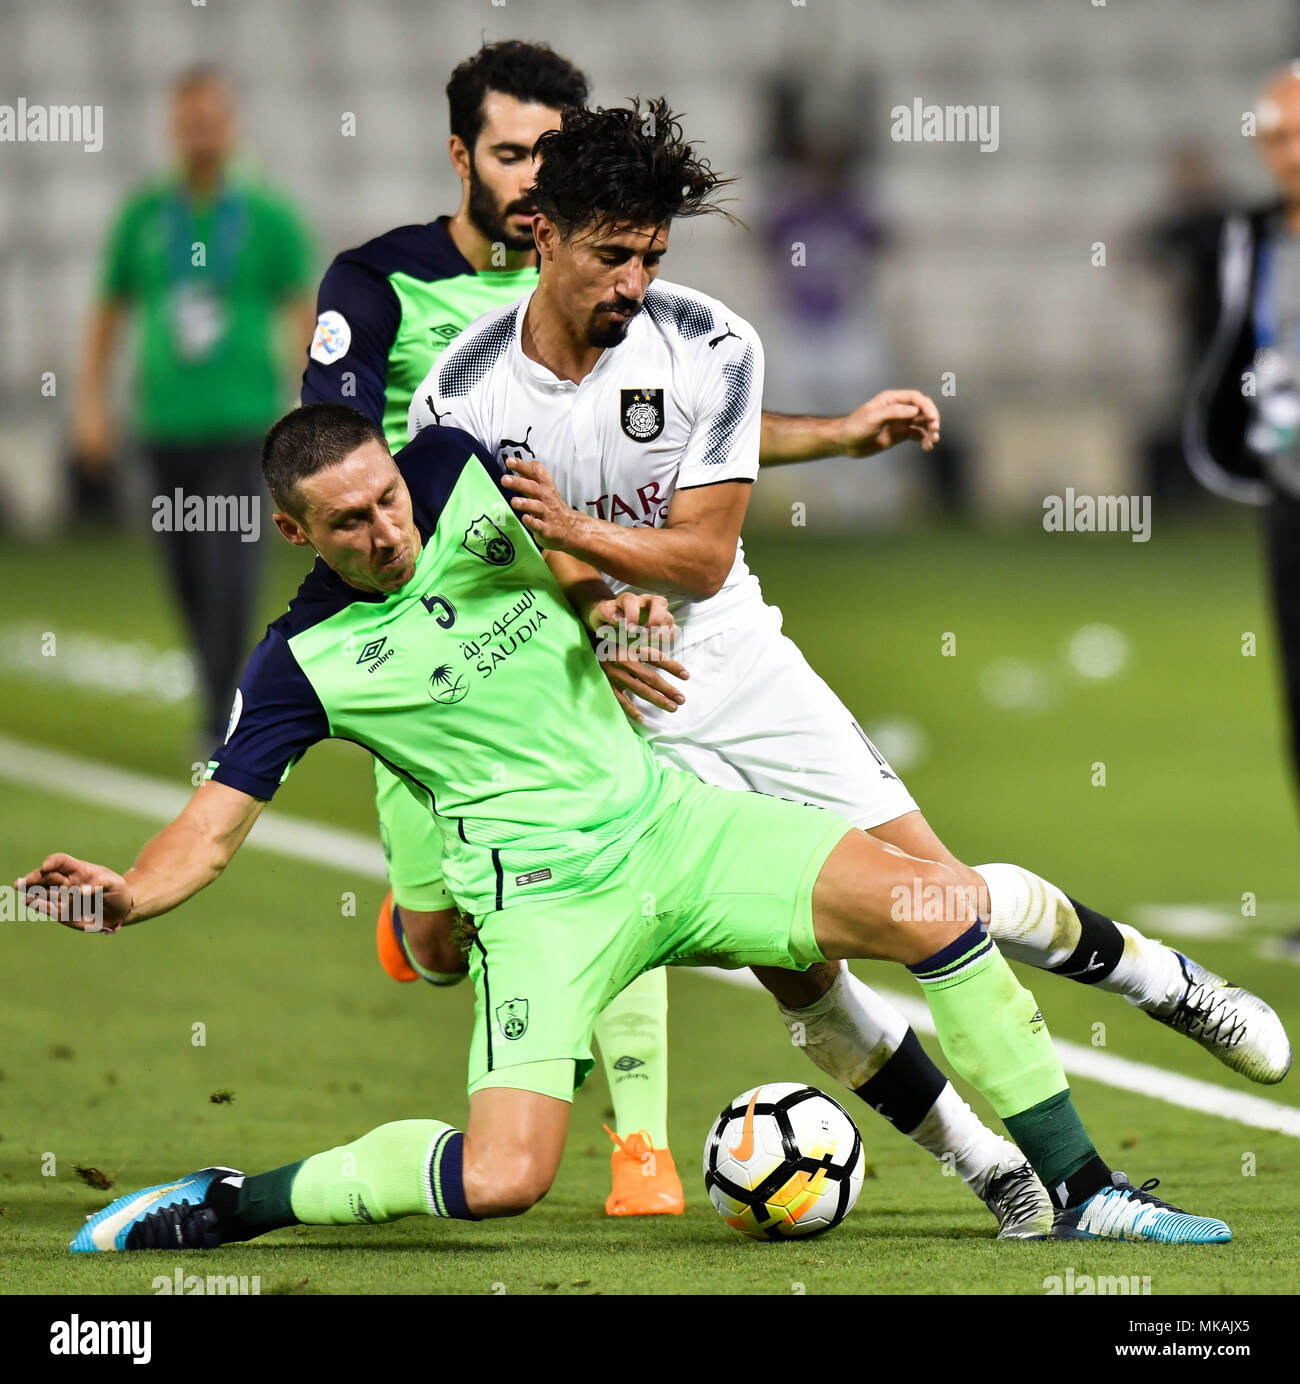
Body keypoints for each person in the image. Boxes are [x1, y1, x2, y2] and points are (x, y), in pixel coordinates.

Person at [20, 404, 1237, 1250]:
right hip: (543, 905)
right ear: (298, 534)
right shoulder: (301, 661)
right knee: (503, 1180)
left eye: (387, 498)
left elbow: (571, 550)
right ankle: (237, 1202)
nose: (386, 528)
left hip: (671, 828)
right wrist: (127, 893)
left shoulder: (454, 469)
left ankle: (1077, 1190)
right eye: (350, 523)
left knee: (941, 904)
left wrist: (611, 613)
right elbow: (214, 827)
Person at [301, 39, 946, 1218]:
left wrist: (835, 434)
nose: (531, 175)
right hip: (451, 616)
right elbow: (329, 463)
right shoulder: (385, 288)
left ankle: (638, 1147)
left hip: (579, 614)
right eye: (510, 153)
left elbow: (691, 427)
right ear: (464, 158)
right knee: (442, 944)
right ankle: (464, 936)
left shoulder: (609, 279)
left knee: (619, 834)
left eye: (549, 151)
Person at [74, 66, 316, 753]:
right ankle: (218, 699)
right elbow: (107, 312)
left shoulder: (267, 215)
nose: (200, 131)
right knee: (184, 571)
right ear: (172, 128)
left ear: (231, 123)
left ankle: (221, 713)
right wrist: (89, 402)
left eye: (212, 118)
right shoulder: (145, 216)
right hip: (166, 426)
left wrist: (310, 407)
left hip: (245, 426)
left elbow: (304, 315)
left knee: (230, 567)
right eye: (189, 120)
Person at [1186, 63, 1300, 886]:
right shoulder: (1254, 234)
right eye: (1275, 138)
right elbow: (1236, 344)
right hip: (1288, 483)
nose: (1288, 153)